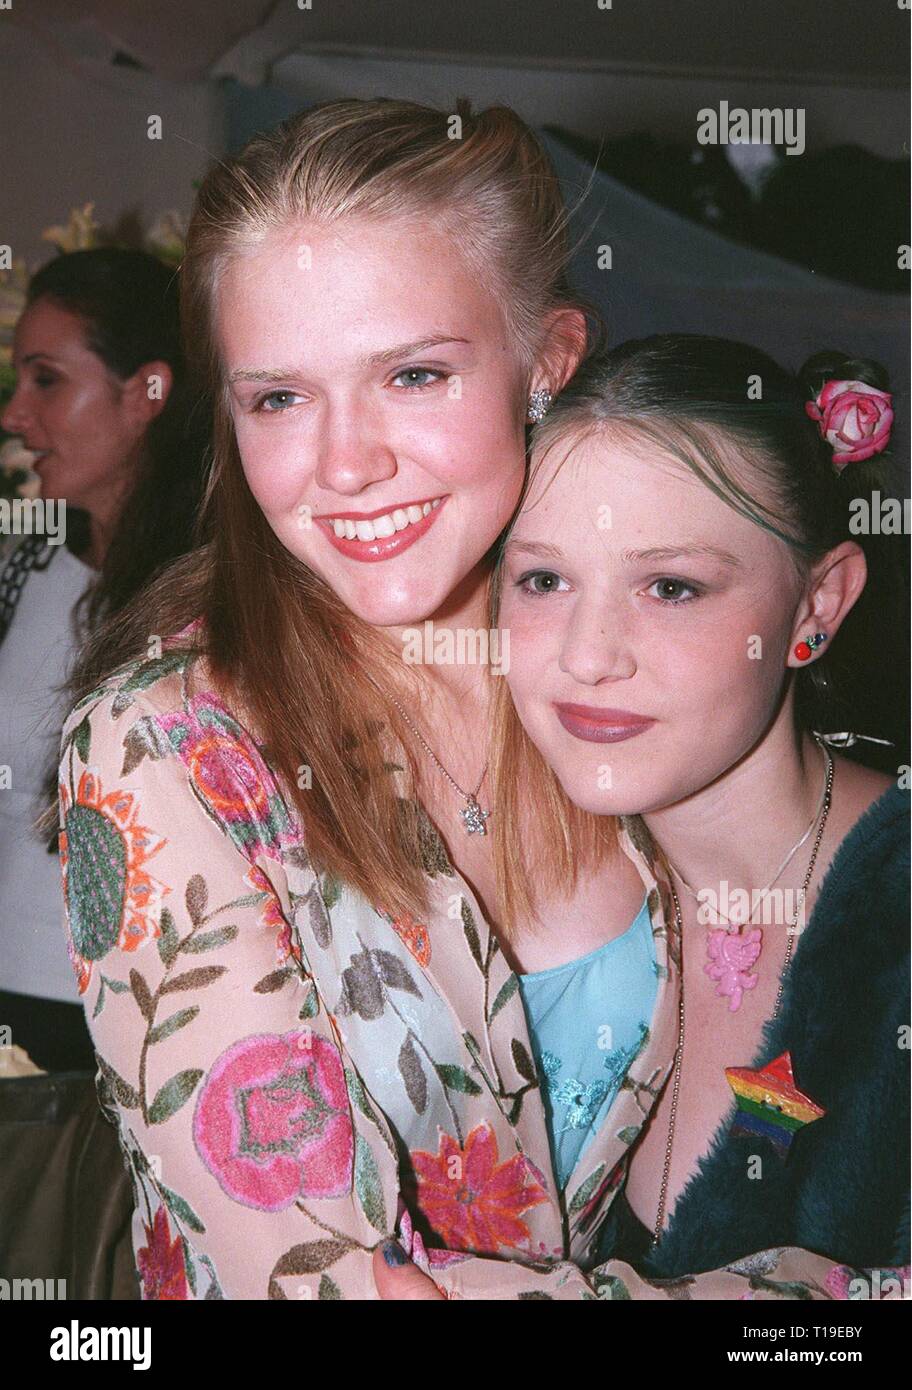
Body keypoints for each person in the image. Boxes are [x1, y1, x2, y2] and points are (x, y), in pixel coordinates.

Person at [54, 101, 866, 1301]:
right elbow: (314, 1281)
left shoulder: (607, 693)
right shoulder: (166, 745)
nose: (346, 464)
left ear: (545, 366)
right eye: (278, 398)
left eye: (415, 373)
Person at [375, 333, 909, 1299]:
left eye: (670, 587)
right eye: (543, 580)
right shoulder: (555, 906)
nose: (588, 656)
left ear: (816, 603)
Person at [0, 248, 211, 1072]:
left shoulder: (216, 590)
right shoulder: (23, 564)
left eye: (46, 380)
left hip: (133, 1028)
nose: (17, 414)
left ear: (147, 392)